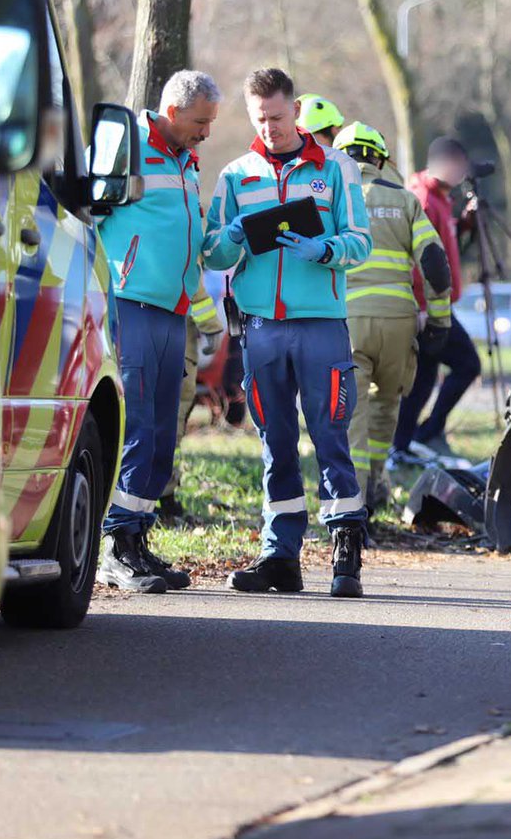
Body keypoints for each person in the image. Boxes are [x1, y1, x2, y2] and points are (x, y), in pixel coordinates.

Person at [205, 68, 372, 596]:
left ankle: (346, 551)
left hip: (321, 325)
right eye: (260, 119)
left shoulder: (338, 169)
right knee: (274, 443)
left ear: (295, 110)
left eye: (277, 117)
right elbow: (212, 251)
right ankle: (280, 556)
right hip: (261, 327)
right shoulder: (236, 175)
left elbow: (361, 241)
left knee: (330, 436)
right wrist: (232, 237)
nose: (271, 128)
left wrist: (325, 250)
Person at [95, 69, 221, 593]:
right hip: (131, 307)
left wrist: (207, 317)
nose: (206, 133)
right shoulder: (122, 147)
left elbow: (189, 247)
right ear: (172, 112)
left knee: (164, 434)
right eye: (199, 122)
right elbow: (85, 214)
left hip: (173, 314)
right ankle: (112, 548)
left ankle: (136, 541)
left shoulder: (187, 161)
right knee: (138, 428)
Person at [334, 122, 452, 506]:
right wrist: (439, 320)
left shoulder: (332, 200)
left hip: (347, 321)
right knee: (386, 405)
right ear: (380, 158)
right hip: (398, 322)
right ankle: (376, 488)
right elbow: (435, 263)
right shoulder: (404, 200)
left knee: (352, 413)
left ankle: (353, 503)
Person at [392, 137, 481, 464]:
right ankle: (425, 433)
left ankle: (402, 445)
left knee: (424, 378)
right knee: (468, 364)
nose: (461, 173)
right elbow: (419, 258)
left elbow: (445, 245)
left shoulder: (441, 199)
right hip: (429, 306)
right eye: (457, 166)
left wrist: (467, 224)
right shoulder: (425, 200)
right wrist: (422, 306)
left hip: (435, 303)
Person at [158, 279, 224, 521]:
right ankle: (162, 496)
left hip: (152, 325)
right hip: (176, 333)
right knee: (170, 419)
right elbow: (188, 275)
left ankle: (158, 495)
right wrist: (210, 324)